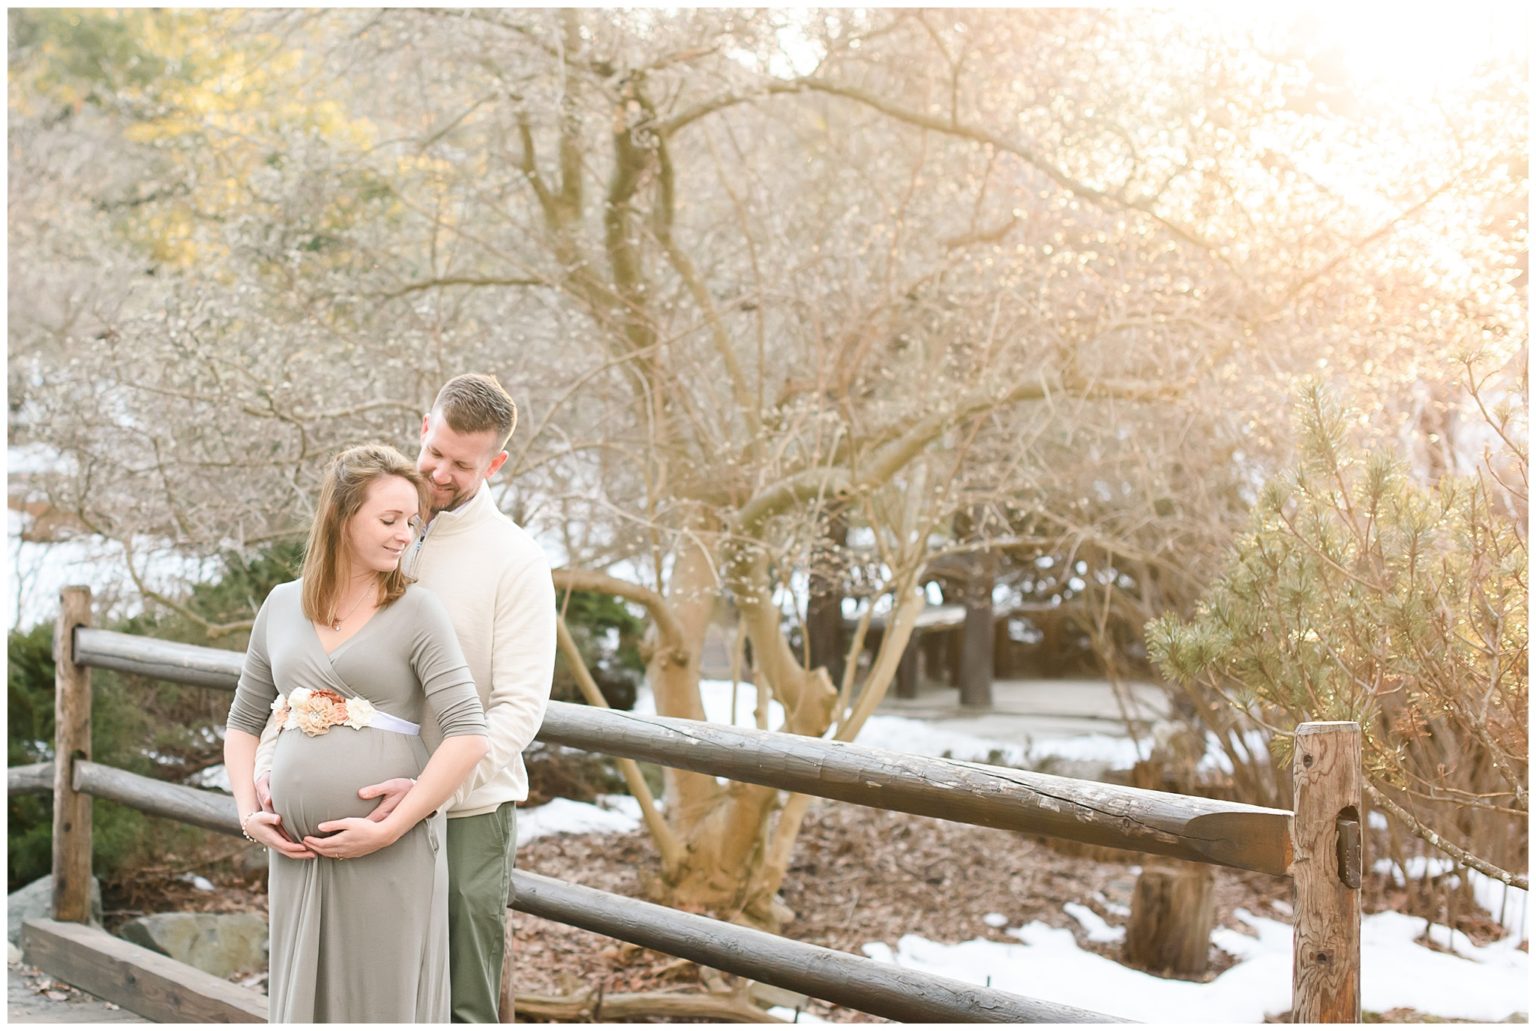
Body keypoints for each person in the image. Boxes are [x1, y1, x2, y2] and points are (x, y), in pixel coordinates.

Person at [252, 374, 557, 1023]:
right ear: (425, 426)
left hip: (468, 805)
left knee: (461, 995)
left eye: (462, 464)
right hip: (359, 814)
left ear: (495, 463)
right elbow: (310, 661)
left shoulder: (516, 561)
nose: (440, 472)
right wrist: (274, 758)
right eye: (436, 452)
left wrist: (422, 785)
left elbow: (519, 707)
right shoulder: (384, 519)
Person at [225, 443, 489, 1023]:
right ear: (342, 516)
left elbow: (469, 734)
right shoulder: (280, 606)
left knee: (379, 999)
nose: (405, 535)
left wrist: (391, 827)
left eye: (412, 522)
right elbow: (243, 723)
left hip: (387, 850)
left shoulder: (418, 612)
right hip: (296, 856)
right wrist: (250, 814)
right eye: (389, 519)